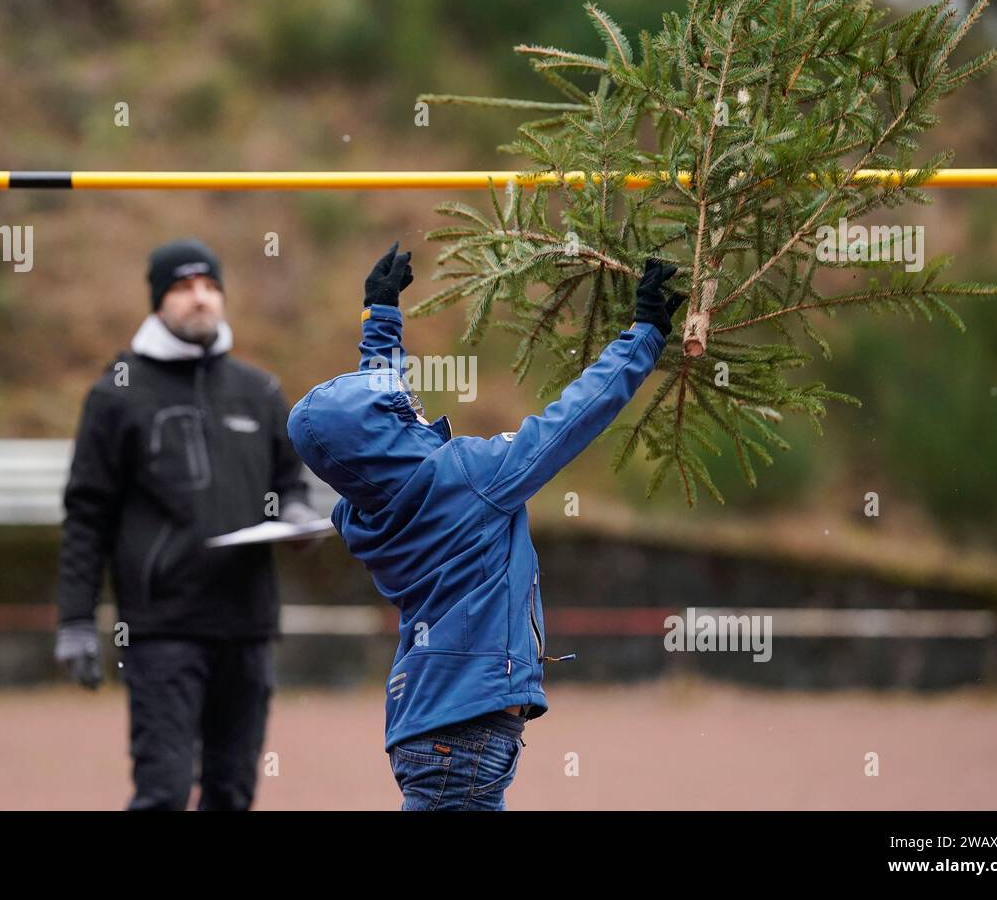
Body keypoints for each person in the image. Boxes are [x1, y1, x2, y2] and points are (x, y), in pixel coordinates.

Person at [286, 241, 684, 810]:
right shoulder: (468, 478)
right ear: (388, 430)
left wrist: (382, 316)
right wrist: (642, 337)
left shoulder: (362, 513)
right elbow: (570, 420)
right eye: (406, 407)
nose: (418, 407)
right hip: (462, 736)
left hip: (440, 729)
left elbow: (359, 435)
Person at [54, 237, 319, 810]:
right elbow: (86, 513)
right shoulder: (116, 393)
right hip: (162, 629)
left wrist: (297, 516)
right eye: (183, 288)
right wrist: (76, 618)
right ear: (157, 302)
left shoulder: (261, 391)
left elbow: (289, 481)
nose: (200, 299)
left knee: (231, 793)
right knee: (164, 795)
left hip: (247, 626)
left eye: (210, 286)